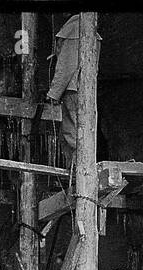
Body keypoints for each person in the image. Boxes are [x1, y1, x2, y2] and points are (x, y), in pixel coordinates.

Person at [43, 15, 100, 163]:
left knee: (72, 131)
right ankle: (79, 171)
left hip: (73, 90)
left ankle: (77, 172)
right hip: (86, 89)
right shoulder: (91, 32)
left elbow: (65, 68)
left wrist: (53, 94)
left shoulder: (72, 31)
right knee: (84, 129)